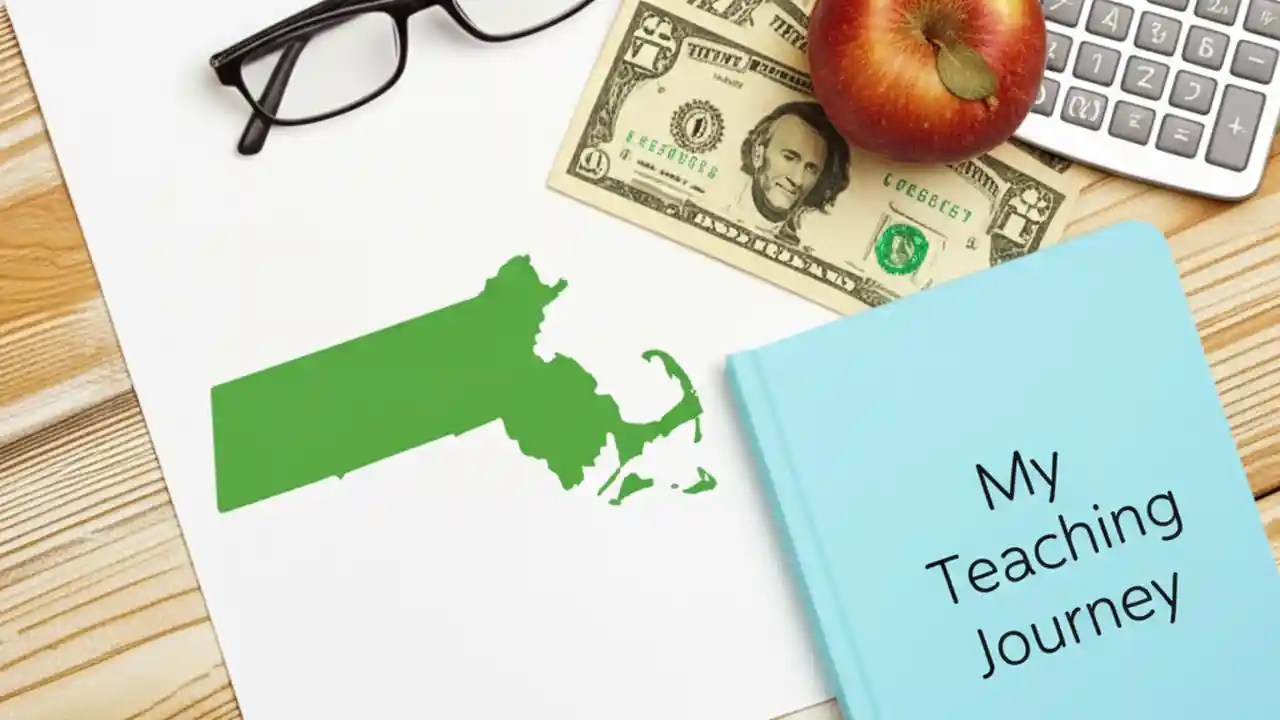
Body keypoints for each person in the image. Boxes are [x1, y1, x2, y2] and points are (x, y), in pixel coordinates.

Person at [720, 100, 851, 244]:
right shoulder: (717, 198)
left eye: (811, 169)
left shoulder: (808, 243)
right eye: (789, 158)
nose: (798, 180)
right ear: (758, 153)